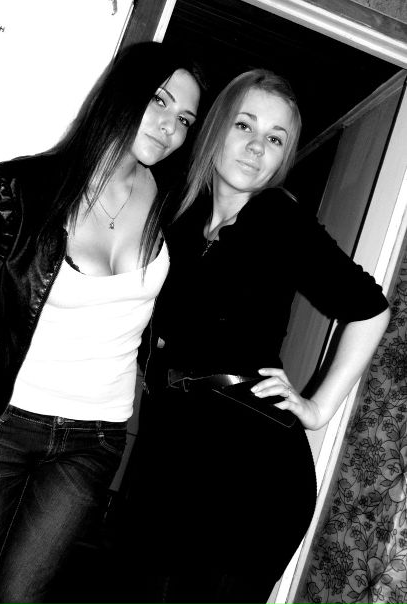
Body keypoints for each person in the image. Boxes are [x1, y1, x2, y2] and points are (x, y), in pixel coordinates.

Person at [121, 68, 390, 602]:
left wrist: (317, 408)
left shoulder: (278, 220)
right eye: (244, 125)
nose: (256, 146)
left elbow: (370, 309)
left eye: (275, 138)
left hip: (253, 468)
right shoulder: (177, 214)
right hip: (170, 447)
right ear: (216, 128)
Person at [0, 40, 203, 603]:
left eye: (185, 119)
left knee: (21, 596)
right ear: (122, 94)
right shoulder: (15, 189)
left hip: (94, 437)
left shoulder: (177, 205)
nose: (170, 126)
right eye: (159, 101)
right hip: (4, 420)